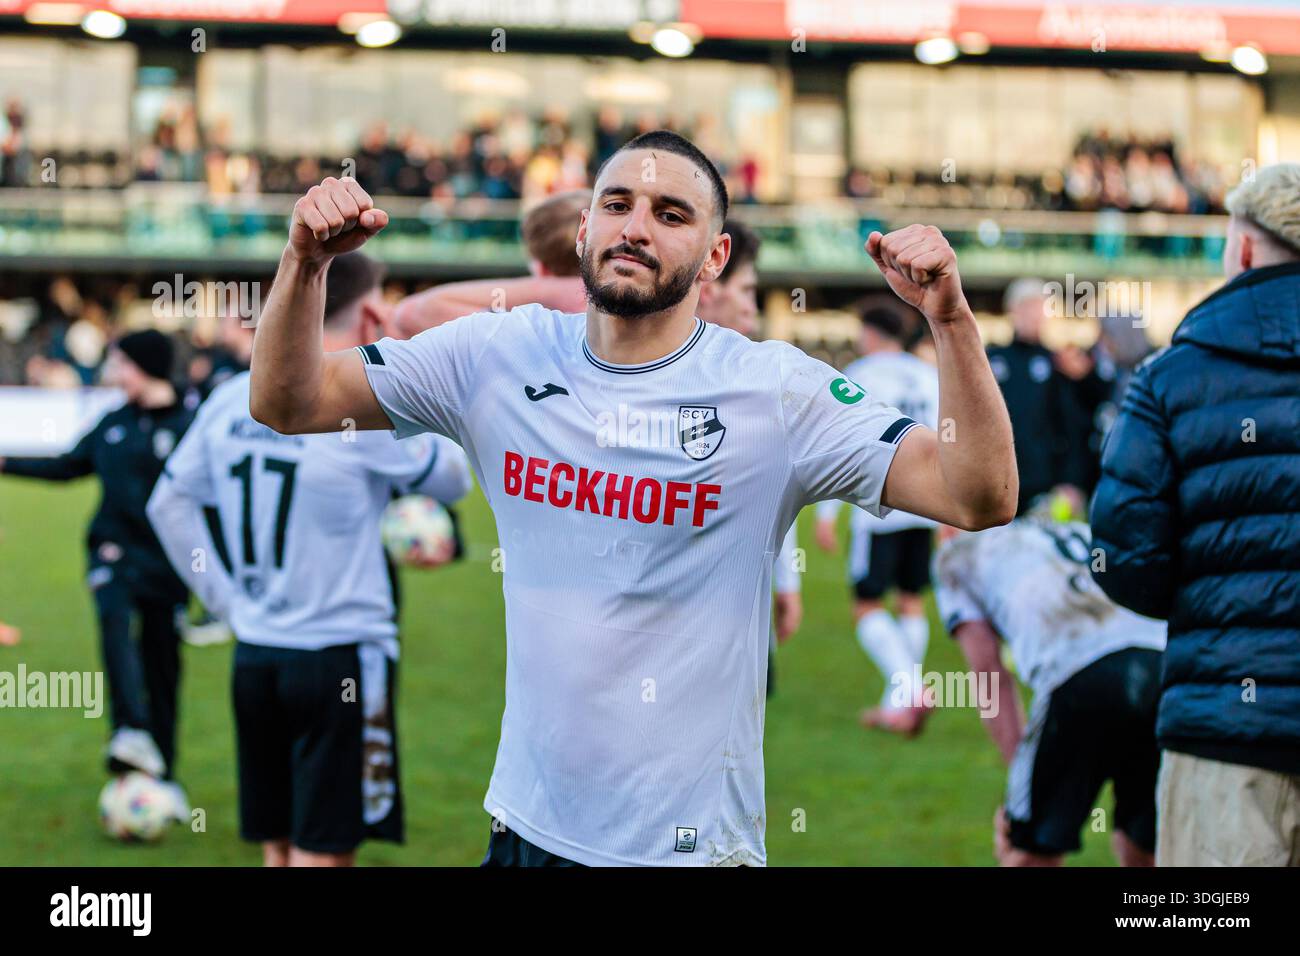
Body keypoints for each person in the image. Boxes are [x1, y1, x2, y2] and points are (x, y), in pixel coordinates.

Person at [249, 129, 1016, 867]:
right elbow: (289, 400)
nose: (635, 227)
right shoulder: (495, 355)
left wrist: (949, 320)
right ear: (584, 228)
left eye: (670, 214)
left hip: (687, 851)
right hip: (524, 827)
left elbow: (977, 496)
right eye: (616, 205)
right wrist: (304, 264)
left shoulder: (776, 392)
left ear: (716, 255)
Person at [147, 252, 473, 867]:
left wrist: (223, 598)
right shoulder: (364, 410)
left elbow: (168, 503)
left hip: (257, 650)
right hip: (340, 654)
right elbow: (454, 480)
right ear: (372, 309)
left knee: (279, 843)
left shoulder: (228, 399)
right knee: (325, 849)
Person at [1090, 162, 1300, 867]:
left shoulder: (1169, 377)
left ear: (1242, 248)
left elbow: (1125, 560)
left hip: (1223, 734)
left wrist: (1218, 594)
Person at [0, 330, 193, 806]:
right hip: (113, 554)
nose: (113, 371)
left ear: (145, 366)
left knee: (162, 664)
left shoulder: (191, 425)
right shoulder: (114, 422)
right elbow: (68, 465)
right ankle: (129, 729)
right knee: (114, 622)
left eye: (121, 362)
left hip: (169, 566)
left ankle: (162, 771)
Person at [934, 511, 1165, 866]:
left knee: (1027, 851)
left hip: (1078, 669)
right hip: (1160, 665)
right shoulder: (1074, 527)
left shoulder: (955, 556)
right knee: (1145, 843)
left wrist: (1020, 779)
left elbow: (989, 675)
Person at [815, 303, 939, 735]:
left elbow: (840, 443)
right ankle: (898, 703)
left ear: (871, 333)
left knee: (866, 604)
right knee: (910, 599)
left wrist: (827, 512)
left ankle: (911, 686)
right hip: (926, 506)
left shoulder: (861, 375)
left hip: (879, 508)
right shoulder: (926, 375)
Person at [987, 279, 1087, 513]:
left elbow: (1071, 424)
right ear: (1012, 310)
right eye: (1026, 307)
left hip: (1044, 486)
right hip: (996, 482)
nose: (1033, 315)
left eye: (1038, 307)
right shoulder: (992, 359)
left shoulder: (1058, 362)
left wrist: (1071, 480)